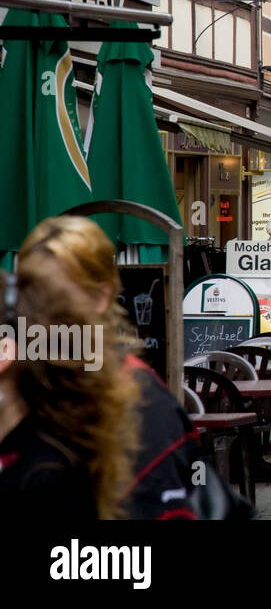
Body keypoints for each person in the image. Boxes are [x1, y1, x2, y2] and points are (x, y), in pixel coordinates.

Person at [5, 216, 218, 519]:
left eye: (55, 298)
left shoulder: (140, 397)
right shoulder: (30, 383)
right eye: (28, 293)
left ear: (101, 297)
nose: (37, 313)